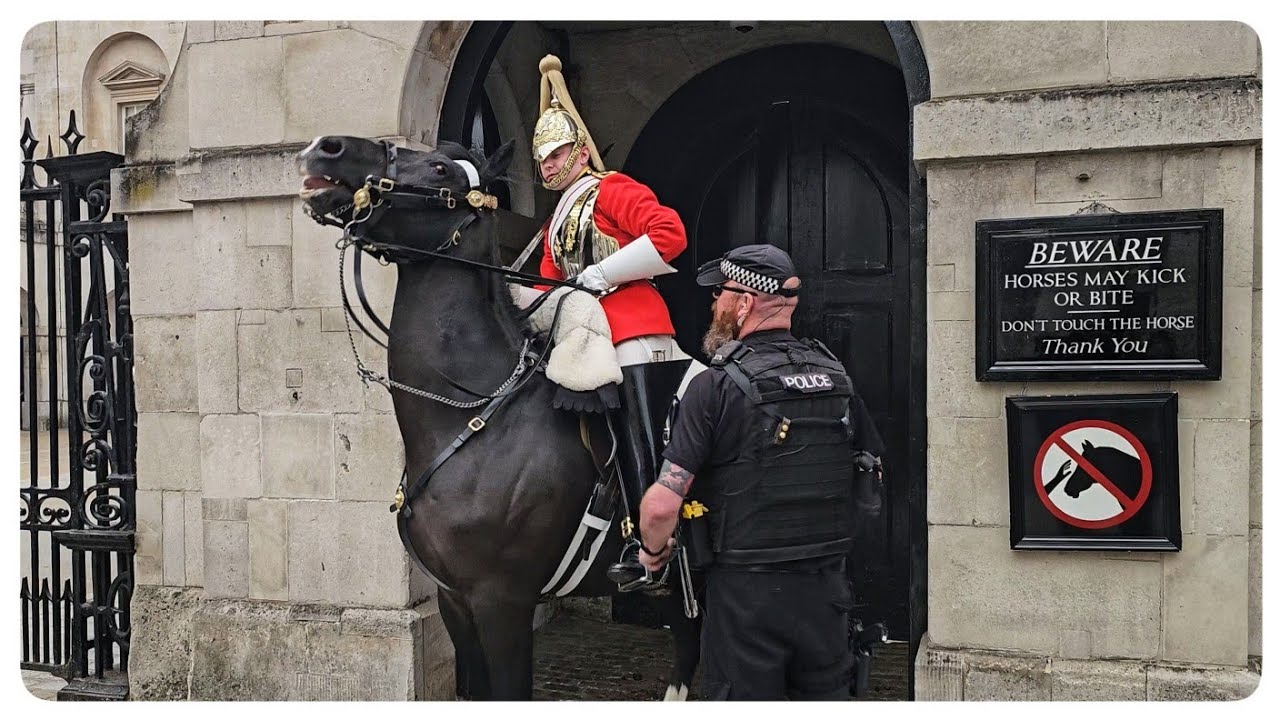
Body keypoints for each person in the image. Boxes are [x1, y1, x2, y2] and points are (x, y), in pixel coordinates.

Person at [636, 244, 885, 700]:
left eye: (721, 294)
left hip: (745, 599)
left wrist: (653, 555)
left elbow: (660, 506)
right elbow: (869, 478)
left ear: (745, 301)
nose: (715, 303)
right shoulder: (837, 378)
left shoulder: (714, 388)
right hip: (826, 592)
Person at [529, 55, 695, 590]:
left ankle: (652, 544)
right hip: (582, 332)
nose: (549, 166)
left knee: (637, 431)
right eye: (541, 160)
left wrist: (600, 274)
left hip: (632, 329)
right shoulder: (556, 219)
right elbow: (549, 282)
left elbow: (670, 234)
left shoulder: (613, 189)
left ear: (579, 149)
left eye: (556, 153)